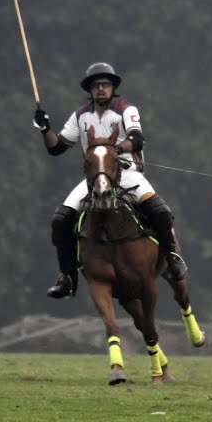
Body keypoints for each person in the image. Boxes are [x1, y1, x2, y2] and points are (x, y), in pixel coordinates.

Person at [32, 62, 188, 299]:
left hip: (128, 173)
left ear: (113, 87)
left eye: (105, 84)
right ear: (90, 90)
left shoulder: (126, 109)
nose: (101, 89)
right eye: (96, 86)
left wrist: (113, 148)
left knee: (159, 210)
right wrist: (45, 129)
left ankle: (171, 258)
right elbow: (57, 147)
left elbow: (137, 139)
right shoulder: (81, 115)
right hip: (94, 179)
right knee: (60, 220)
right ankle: (67, 278)